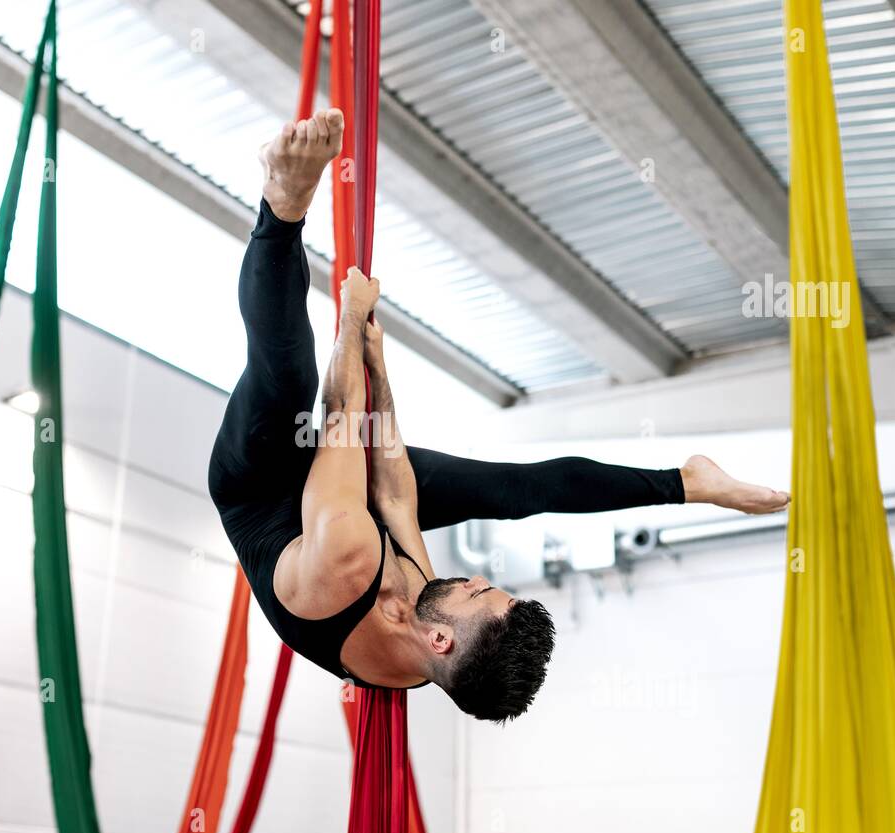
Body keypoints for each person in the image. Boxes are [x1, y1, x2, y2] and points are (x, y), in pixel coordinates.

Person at [208, 108, 789, 722]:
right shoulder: (434, 641)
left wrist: (351, 319)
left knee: (288, 379)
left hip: (266, 483)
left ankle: (282, 200)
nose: (469, 579)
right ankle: (685, 482)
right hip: (346, 499)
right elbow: (399, 498)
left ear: (439, 640)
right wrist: (379, 370)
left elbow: (337, 417)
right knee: (513, 489)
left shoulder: (349, 565)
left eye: (478, 592)